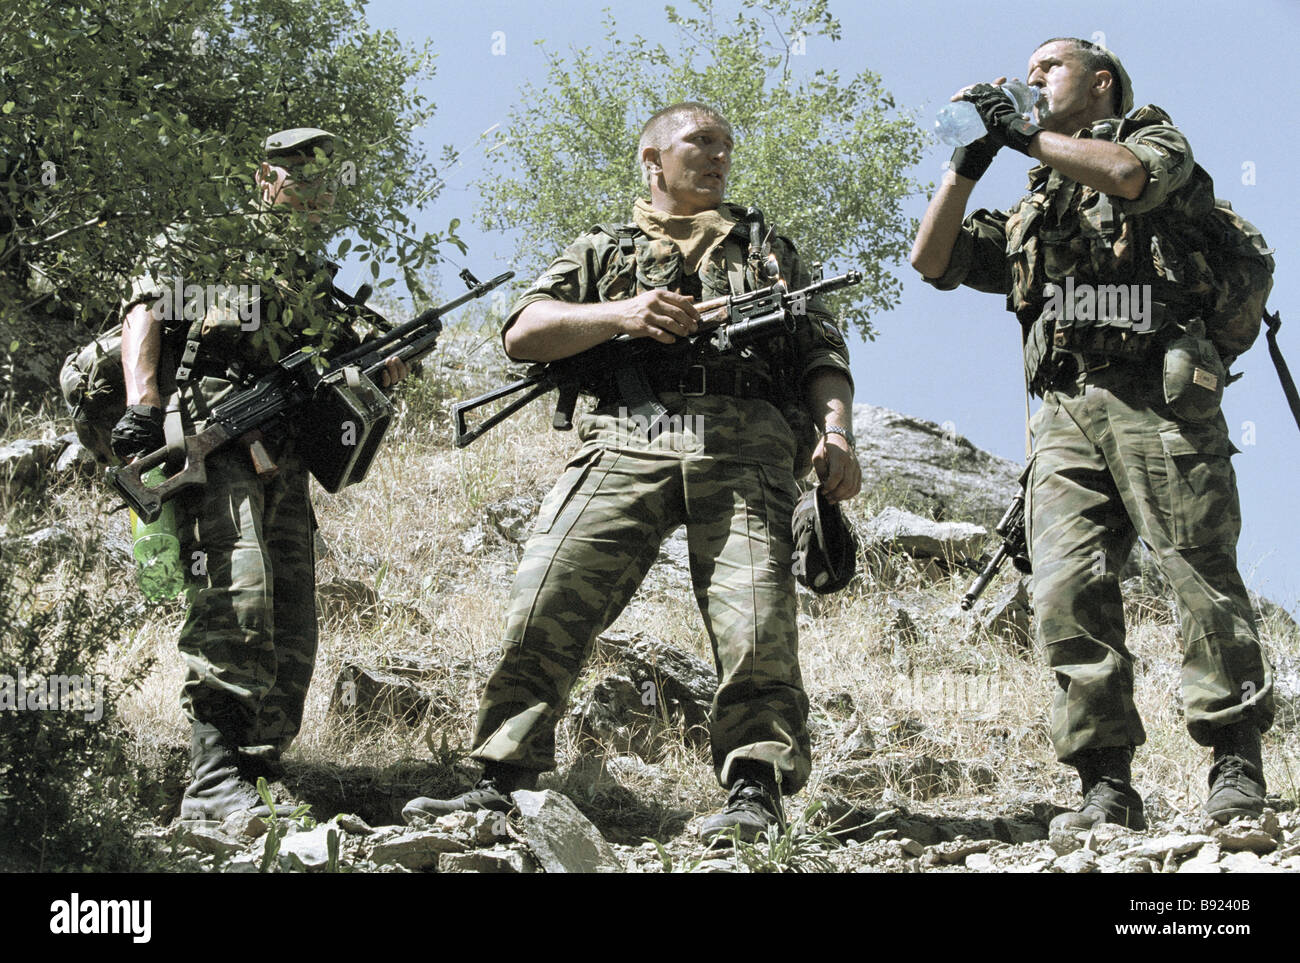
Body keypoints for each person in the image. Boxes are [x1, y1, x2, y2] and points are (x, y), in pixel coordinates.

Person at [404, 102, 860, 841]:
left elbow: (822, 353)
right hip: (625, 434)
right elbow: (524, 332)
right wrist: (625, 314)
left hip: (746, 440)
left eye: (726, 145)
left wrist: (836, 432)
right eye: (700, 143)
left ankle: (755, 791)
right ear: (652, 160)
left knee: (757, 621)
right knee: (547, 596)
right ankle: (501, 779)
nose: (718, 157)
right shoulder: (604, 247)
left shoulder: (768, 248)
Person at [910, 39, 1275, 831]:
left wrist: (1022, 132)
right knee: (1067, 591)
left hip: (1158, 396)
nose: (1032, 80)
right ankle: (1105, 781)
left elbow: (1127, 178)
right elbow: (931, 260)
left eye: (1049, 70)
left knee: (1197, 574)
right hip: (1065, 408)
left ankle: (1235, 761)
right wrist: (968, 160)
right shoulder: (1034, 202)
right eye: (1027, 74)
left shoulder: (1153, 138)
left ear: (1099, 82)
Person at [112, 128, 408, 821]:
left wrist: (379, 372)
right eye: (295, 172)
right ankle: (211, 776)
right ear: (263, 179)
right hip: (213, 442)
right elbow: (147, 310)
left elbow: (342, 381)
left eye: (324, 176)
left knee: (292, 619)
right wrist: (143, 407)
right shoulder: (209, 246)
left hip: (285, 462)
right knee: (236, 591)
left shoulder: (316, 288)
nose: (311, 186)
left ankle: (258, 772)